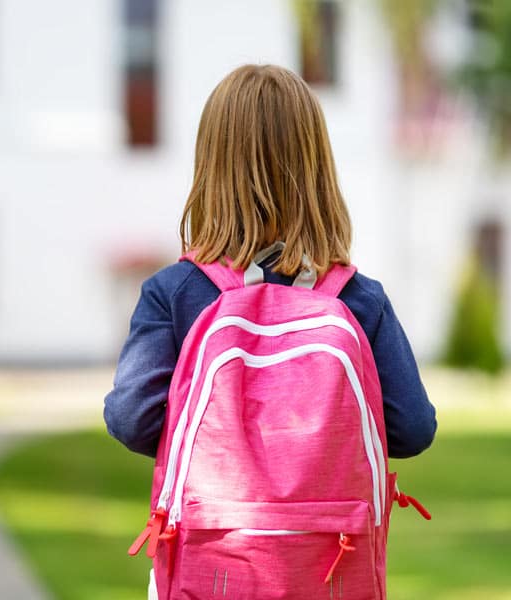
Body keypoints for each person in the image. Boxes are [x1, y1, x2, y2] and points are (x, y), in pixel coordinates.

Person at [104, 64, 436, 471]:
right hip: (330, 535)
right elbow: (413, 429)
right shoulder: (359, 299)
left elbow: (132, 421)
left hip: (215, 531)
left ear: (211, 168)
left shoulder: (174, 292)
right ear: (317, 170)